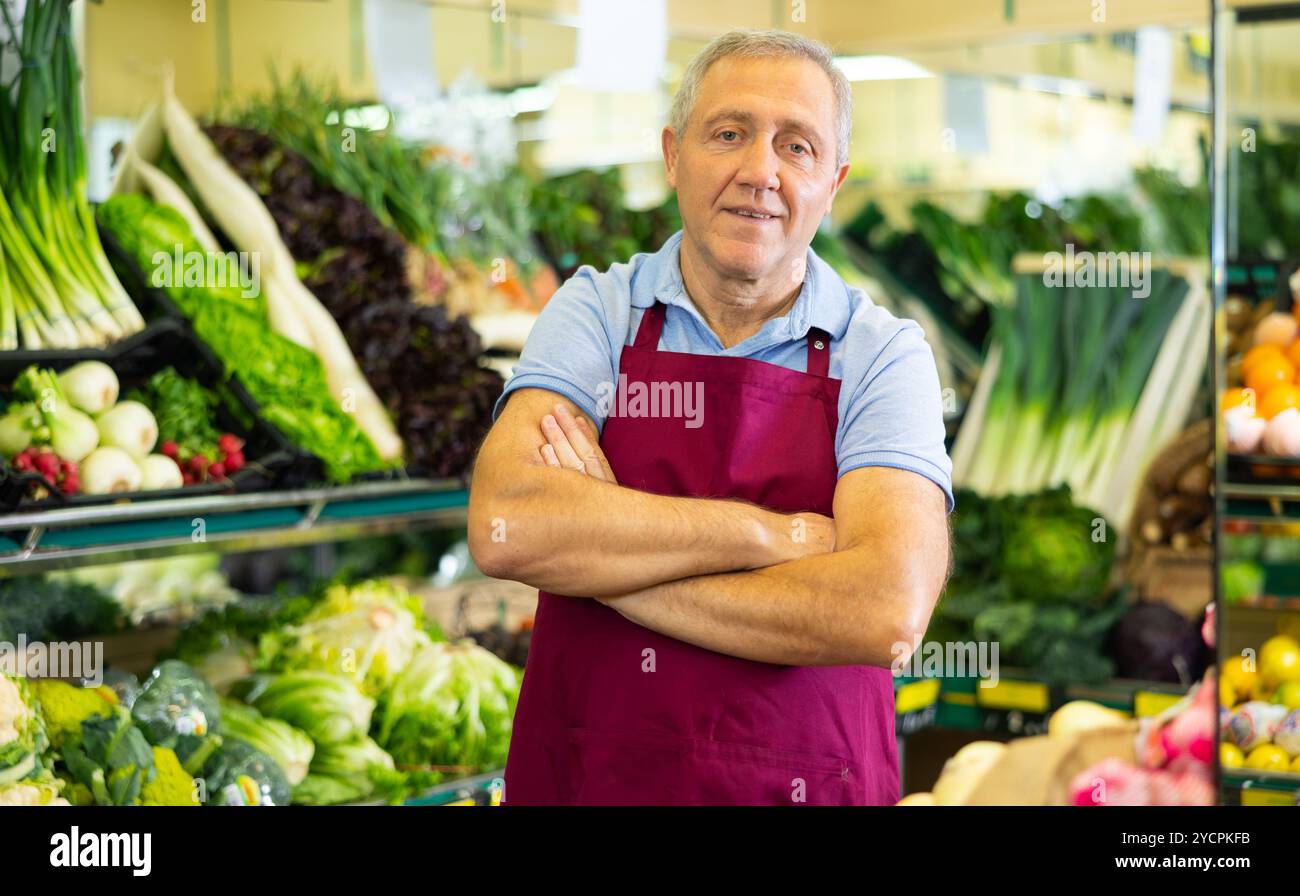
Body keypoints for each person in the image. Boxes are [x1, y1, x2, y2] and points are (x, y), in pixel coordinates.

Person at [468, 28, 953, 806]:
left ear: (834, 182)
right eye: (729, 134)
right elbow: (508, 526)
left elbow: (884, 609)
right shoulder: (597, 310)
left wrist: (609, 566)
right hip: (594, 779)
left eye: (797, 148)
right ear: (672, 155)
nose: (759, 171)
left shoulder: (883, 355)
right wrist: (773, 535)